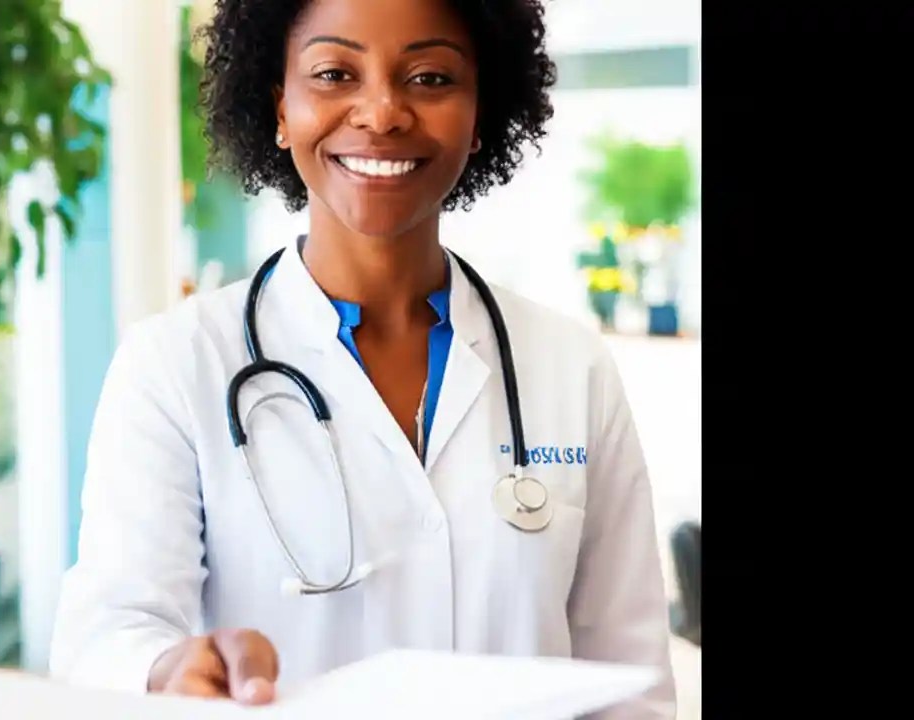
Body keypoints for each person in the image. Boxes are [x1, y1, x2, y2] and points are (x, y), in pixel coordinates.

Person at [49, 0, 677, 716]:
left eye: (432, 77)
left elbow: (631, 682)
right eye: (334, 72)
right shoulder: (174, 364)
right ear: (279, 108)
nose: (381, 112)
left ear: (481, 115)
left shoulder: (572, 366)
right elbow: (106, 635)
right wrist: (165, 670)